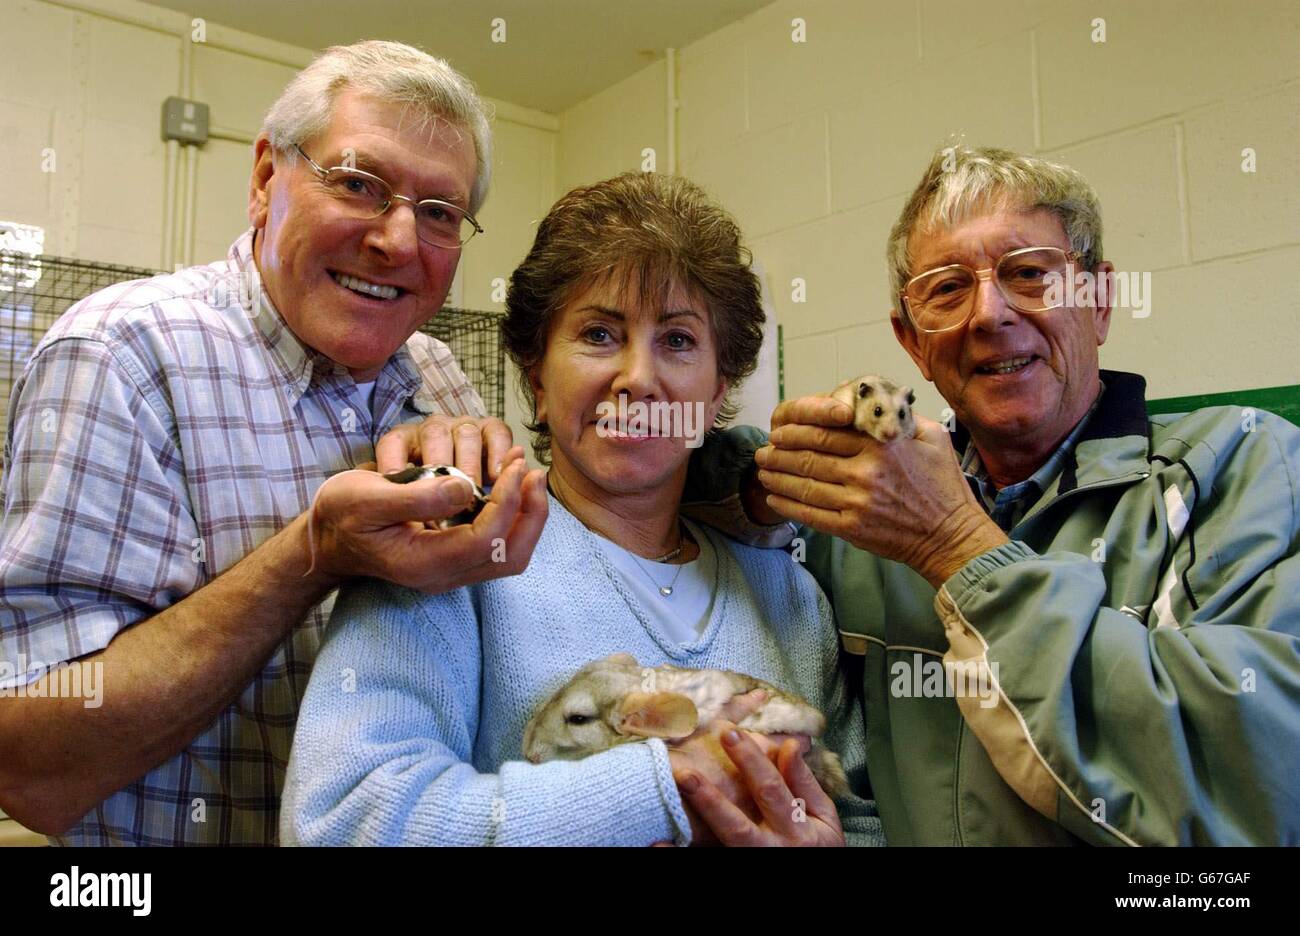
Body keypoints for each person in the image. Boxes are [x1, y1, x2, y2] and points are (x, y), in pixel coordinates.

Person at [0, 40, 547, 845]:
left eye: (438, 213)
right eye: (359, 184)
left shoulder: (435, 369)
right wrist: (313, 557)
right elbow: (29, 772)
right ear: (264, 180)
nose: (399, 241)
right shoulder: (123, 354)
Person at [682, 145, 1300, 845]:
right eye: (946, 289)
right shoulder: (871, 502)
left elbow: (1264, 789)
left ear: (1098, 301)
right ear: (913, 343)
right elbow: (672, 484)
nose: (989, 313)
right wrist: (762, 486)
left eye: (1030, 273)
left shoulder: (1246, 465)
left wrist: (954, 546)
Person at [281, 172, 885, 847]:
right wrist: (663, 788)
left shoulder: (791, 595)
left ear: (717, 395)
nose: (638, 377)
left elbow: (860, 817)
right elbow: (343, 820)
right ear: (537, 378)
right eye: (599, 334)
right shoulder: (448, 554)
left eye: (678, 341)